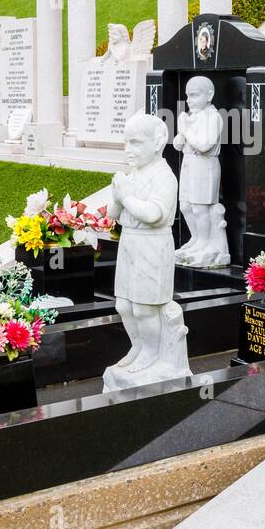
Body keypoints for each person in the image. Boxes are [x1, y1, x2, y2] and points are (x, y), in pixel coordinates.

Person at [103, 113, 191, 391]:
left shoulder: (164, 176)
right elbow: (111, 214)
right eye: (125, 143)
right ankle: (138, 347)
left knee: (144, 307)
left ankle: (153, 353)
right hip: (130, 242)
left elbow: (154, 214)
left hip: (152, 245)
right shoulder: (133, 175)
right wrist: (118, 195)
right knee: (124, 304)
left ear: (157, 143)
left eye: (135, 143)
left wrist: (127, 195)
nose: (128, 150)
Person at [173, 76, 229, 267]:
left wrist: (185, 129)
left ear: (209, 95)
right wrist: (180, 138)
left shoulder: (213, 117)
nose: (189, 100)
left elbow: (204, 145)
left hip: (205, 165)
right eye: (187, 96)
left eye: (194, 95)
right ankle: (196, 238)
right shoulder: (192, 117)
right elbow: (180, 144)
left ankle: (205, 242)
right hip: (189, 162)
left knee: (200, 207)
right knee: (186, 206)